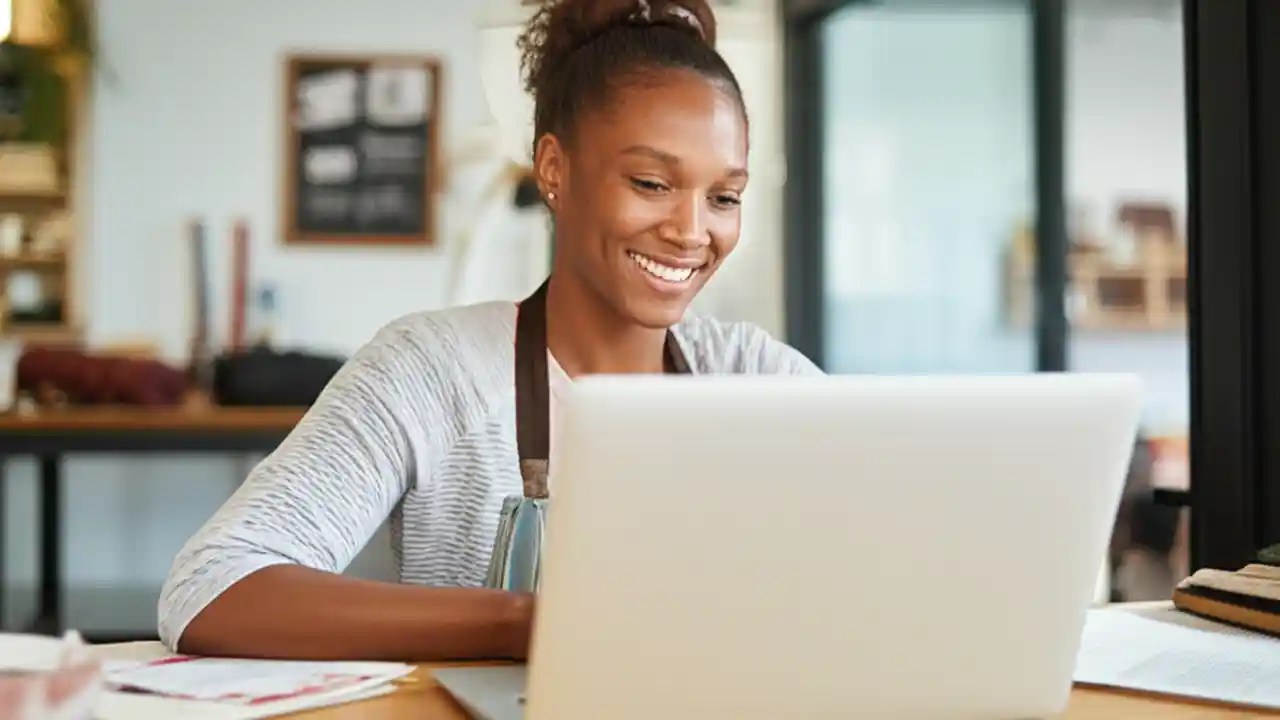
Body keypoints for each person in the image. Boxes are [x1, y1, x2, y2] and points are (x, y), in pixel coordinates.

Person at [159, 0, 821, 662]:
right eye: (651, 183)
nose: (691, 231)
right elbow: (213, 586)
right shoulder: (431, 370)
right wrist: (524, 623)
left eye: (724, 197)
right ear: (555, 169)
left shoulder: (756, 378)